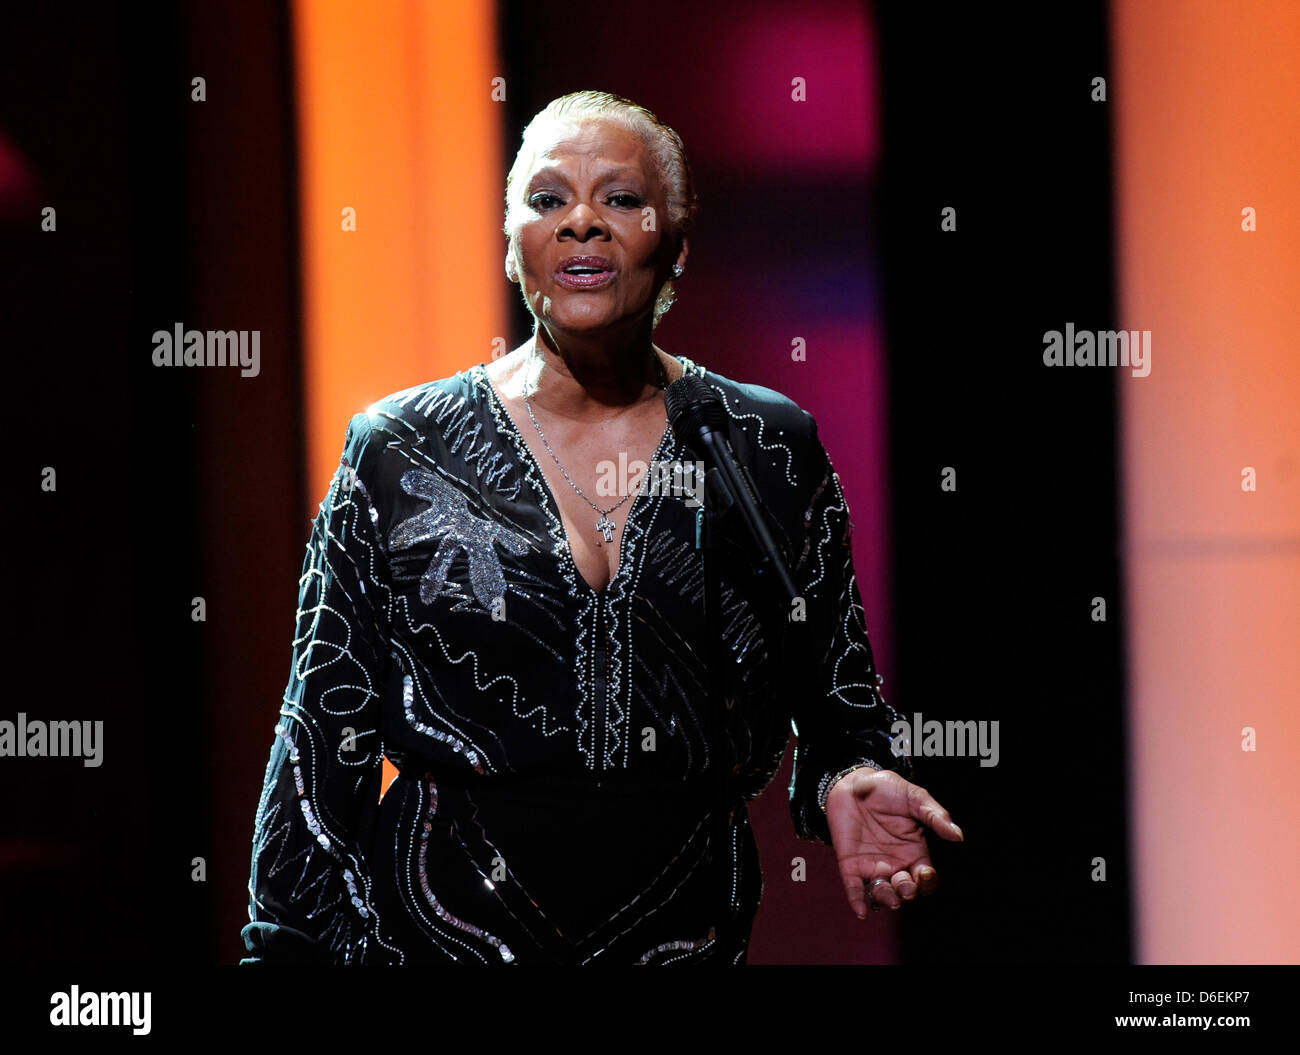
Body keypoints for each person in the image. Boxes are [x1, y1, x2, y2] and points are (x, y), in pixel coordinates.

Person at [241, 90, 962, 965]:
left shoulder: (764, 443)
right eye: (548, 200)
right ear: (513, 245)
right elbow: (321, 736)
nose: (581, 223)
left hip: (681, 943)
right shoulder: (401, 447)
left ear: (678, 240)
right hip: (439, 940)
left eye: (620, 198)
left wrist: (852, 774)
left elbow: (838, 696)